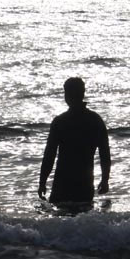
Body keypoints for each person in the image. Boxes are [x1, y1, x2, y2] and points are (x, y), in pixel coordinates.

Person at [38, 77, 111, 206]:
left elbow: (49, 155)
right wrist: (105, 180)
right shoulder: (95, 120)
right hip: (85, 186)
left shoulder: (60, 122)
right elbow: (105, 154)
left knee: (60, 223)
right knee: (82, 224)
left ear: (66, 96)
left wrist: (42, 183)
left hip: (62, 186)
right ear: (83, 94)